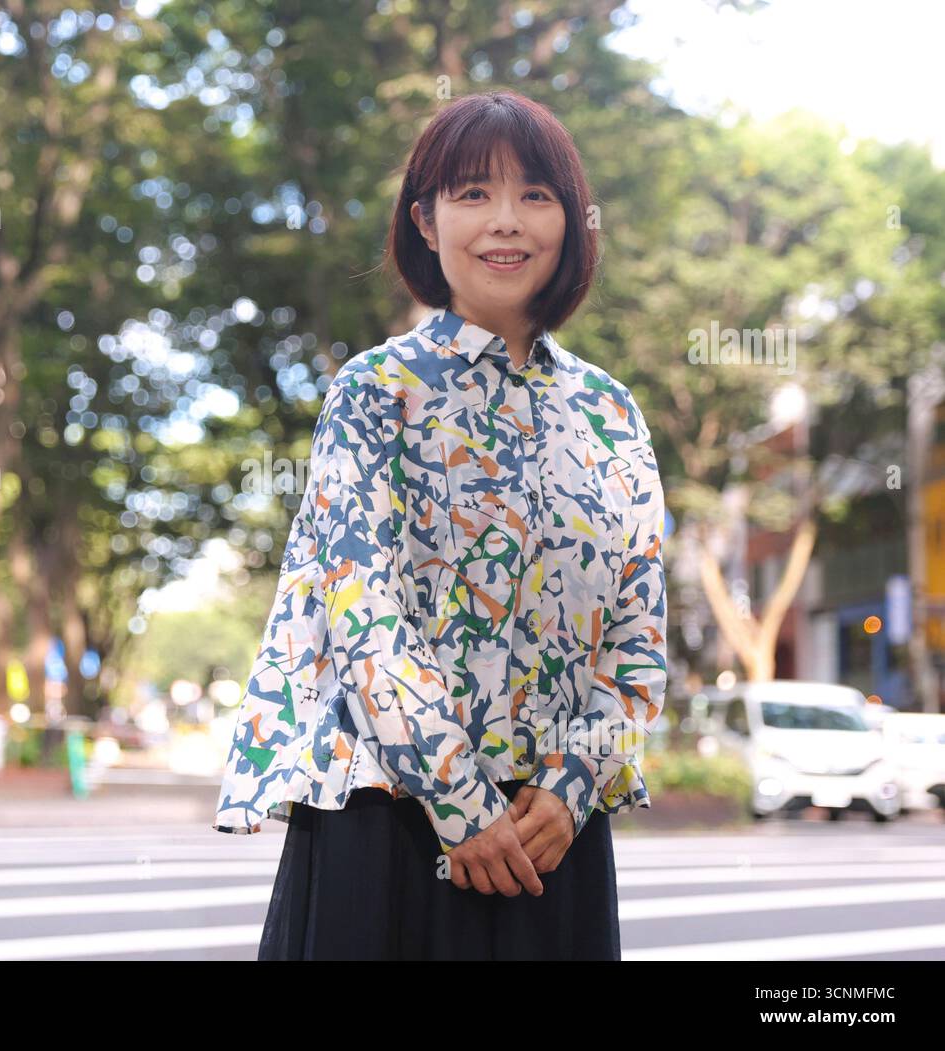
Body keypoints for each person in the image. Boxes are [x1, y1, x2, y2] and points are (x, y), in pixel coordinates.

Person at [213, 89, 667, 960]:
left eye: (537, 195)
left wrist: (571, 789)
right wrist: (462, 805)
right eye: (472, 194)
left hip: (549, 840)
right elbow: (363, 615)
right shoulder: (373, 392)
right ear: (425, 221)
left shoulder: (612, 413)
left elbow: (636, 639)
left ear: (573, 222)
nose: (507, 222)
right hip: (390, 824)